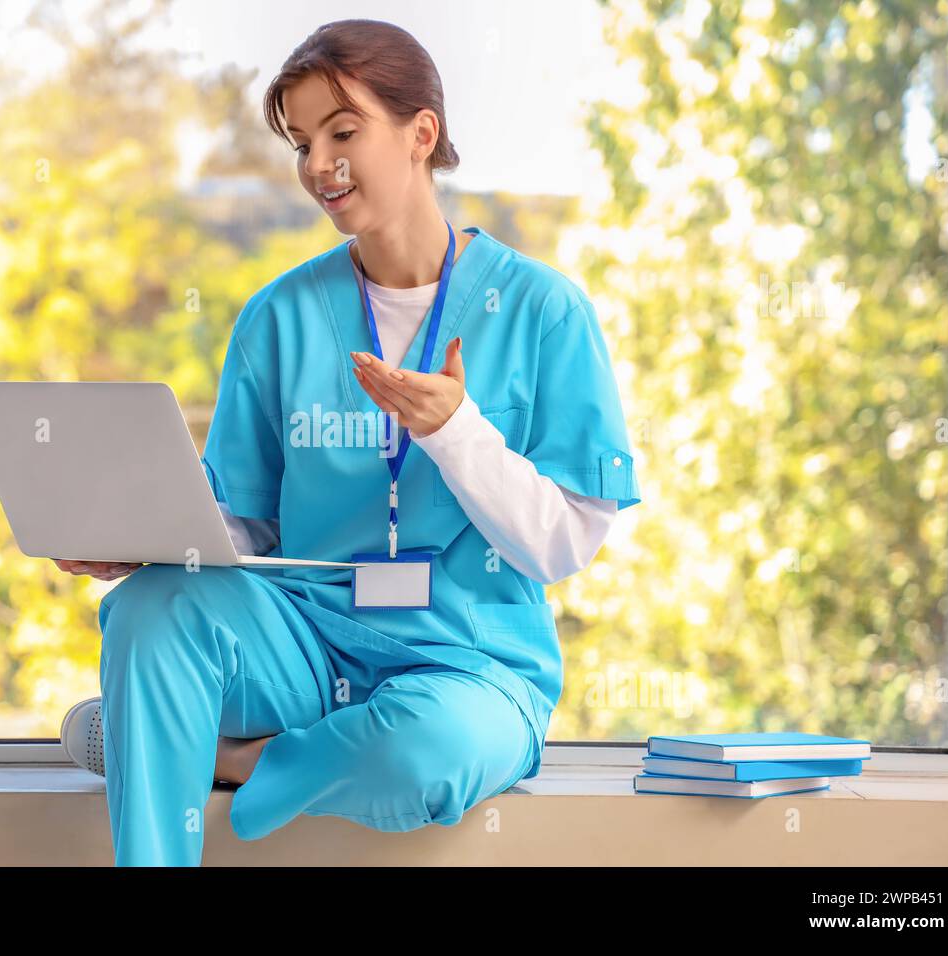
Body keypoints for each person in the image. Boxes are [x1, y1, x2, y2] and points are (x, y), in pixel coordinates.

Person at [55, 18, 641, 867]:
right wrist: (148, 542)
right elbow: (246, 529)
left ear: (421, 134)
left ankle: (218, 754)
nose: (318, 164)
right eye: (301, 142)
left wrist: (455, 432)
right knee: (151, 609)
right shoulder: (278, 318)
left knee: (420, 756)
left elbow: (563, 545)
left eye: (342, 131)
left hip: (466, 665)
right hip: (302, 640)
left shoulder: (546, 312)